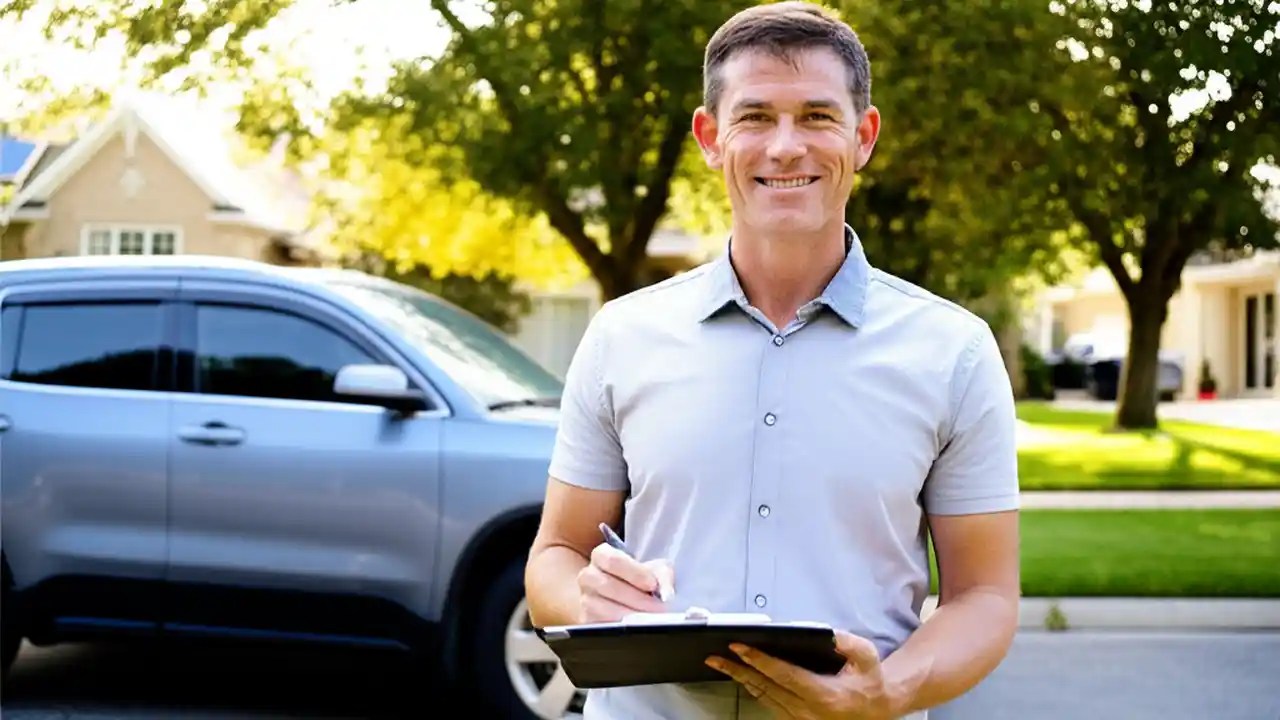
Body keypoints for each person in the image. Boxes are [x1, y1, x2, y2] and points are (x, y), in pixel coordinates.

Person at [524, 2, 1021, 718]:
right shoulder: (620, 336)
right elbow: (553, 560)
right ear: (710, 138)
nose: (786, 147)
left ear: (864, 136)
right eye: (755, 117)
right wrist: (584, 593)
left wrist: (891, 690)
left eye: (817, 116)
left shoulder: (955, 352)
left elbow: (985, 595)